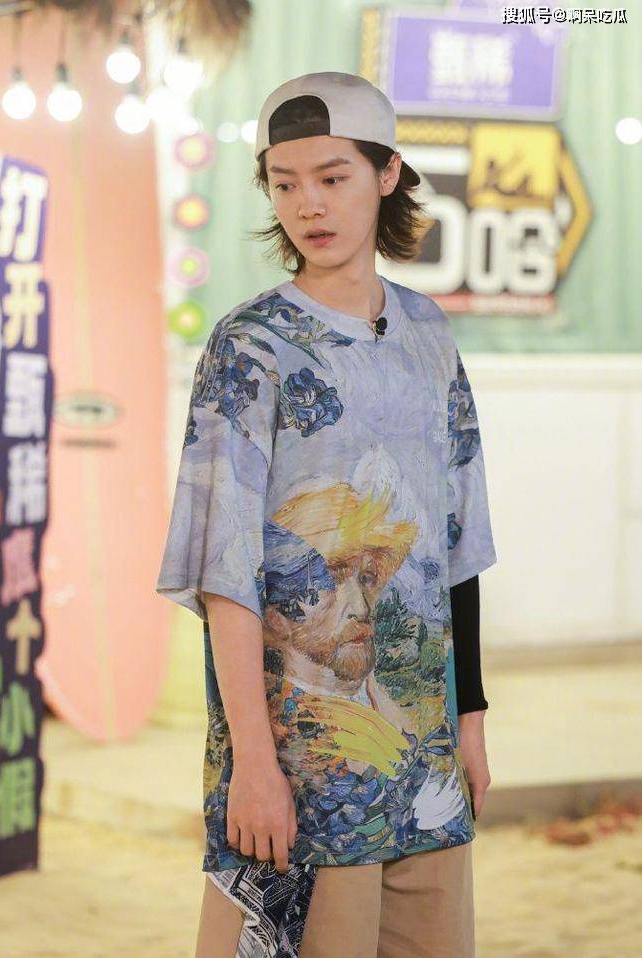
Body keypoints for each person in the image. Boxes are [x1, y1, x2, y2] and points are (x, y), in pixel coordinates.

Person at [156, 71, 497, 958]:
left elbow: (457, 541)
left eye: (332, 177)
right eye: (285, 182)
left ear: (387, 175)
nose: (308, 203)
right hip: (301, 778)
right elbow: (223, 571)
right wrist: (253, 763)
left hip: (426, 766)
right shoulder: (250, 346)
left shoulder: (428, 333)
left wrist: (469, 721)